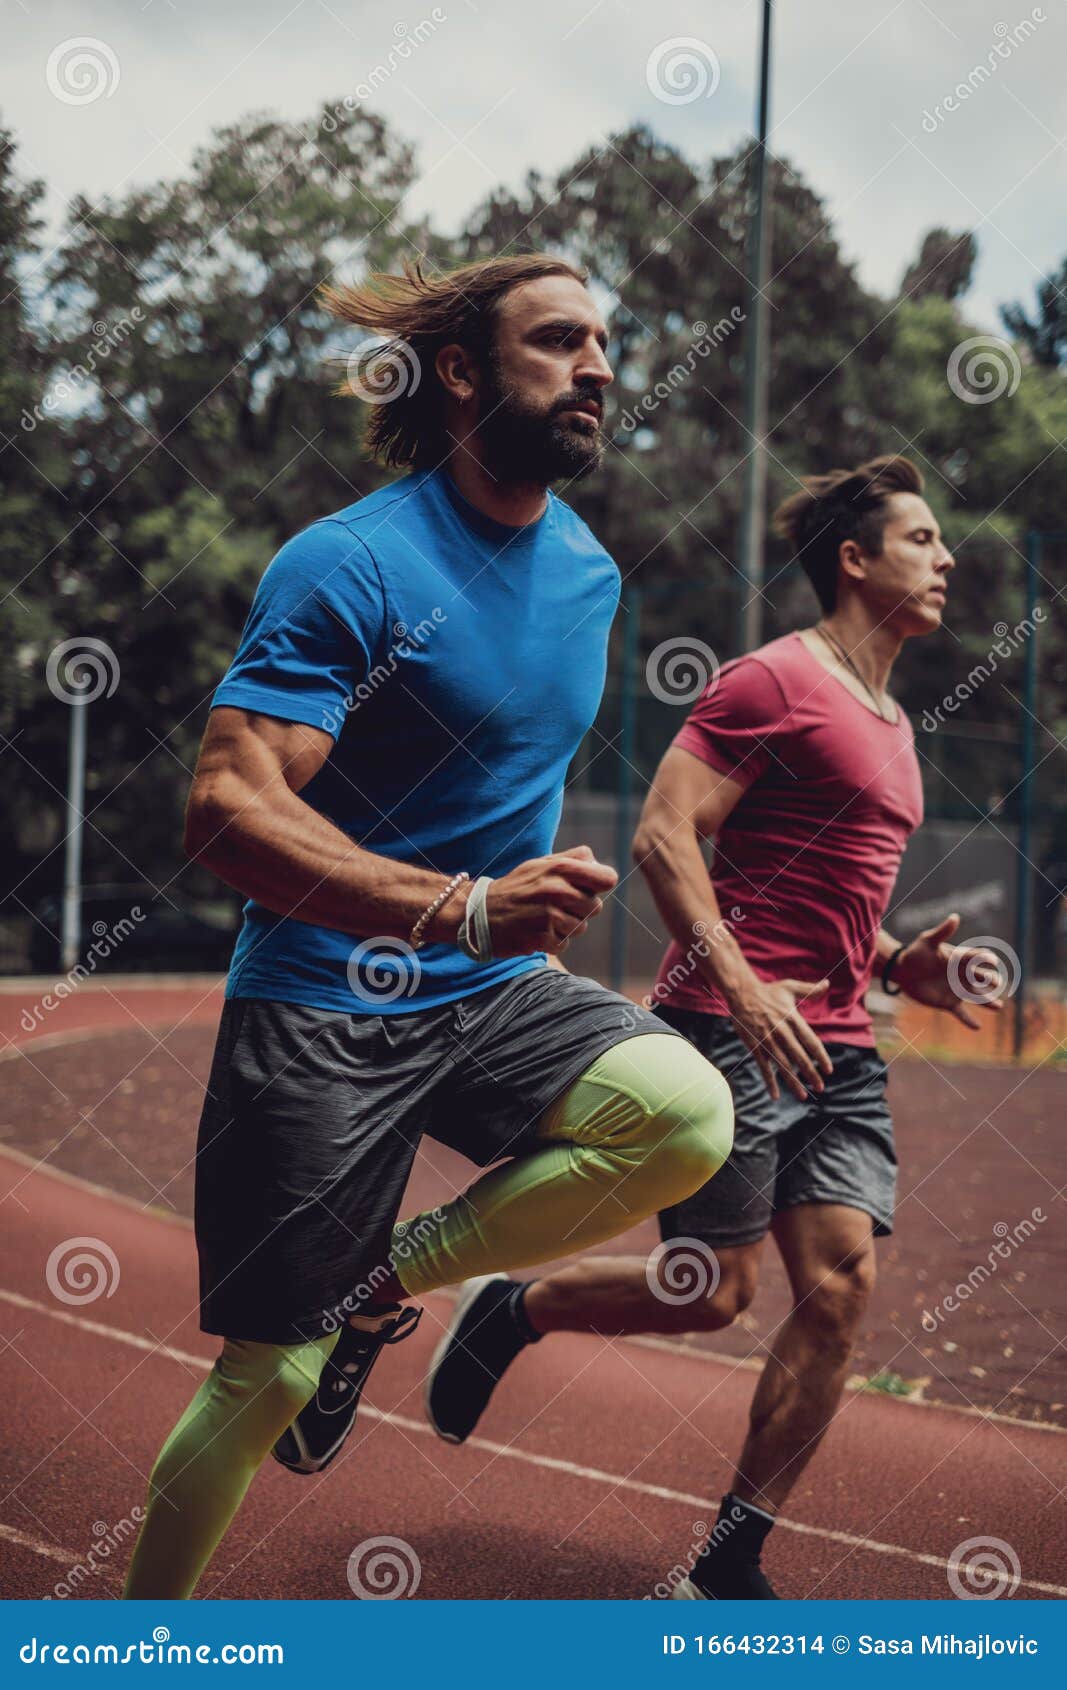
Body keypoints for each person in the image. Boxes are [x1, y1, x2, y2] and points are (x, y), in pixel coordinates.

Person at [121, 253, 734, 1599]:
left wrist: (515, 906)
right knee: (264, 1372)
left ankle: (375, 1287)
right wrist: (459, 904)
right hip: (323, 993)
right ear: (460, 371)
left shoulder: (586, 575)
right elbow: (226, 808)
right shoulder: (349, 562)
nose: (599, 366)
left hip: (484, 985)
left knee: (684, 1116)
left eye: (605, 342)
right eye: (559, 340)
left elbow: (499, 779)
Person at [424, 454, 1004, 1600]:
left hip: (838, 1043)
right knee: (716, 1292)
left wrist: (901, 968)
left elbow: (834, 903)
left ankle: (728, 1556)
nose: (946, 559)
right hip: (729, 1030)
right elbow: (660, 834)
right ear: (853, 558)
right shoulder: (770, 680)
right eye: (922, 539)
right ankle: (511, 1303)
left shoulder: (891, 720)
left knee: (838, 1291)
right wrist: (740, 985)